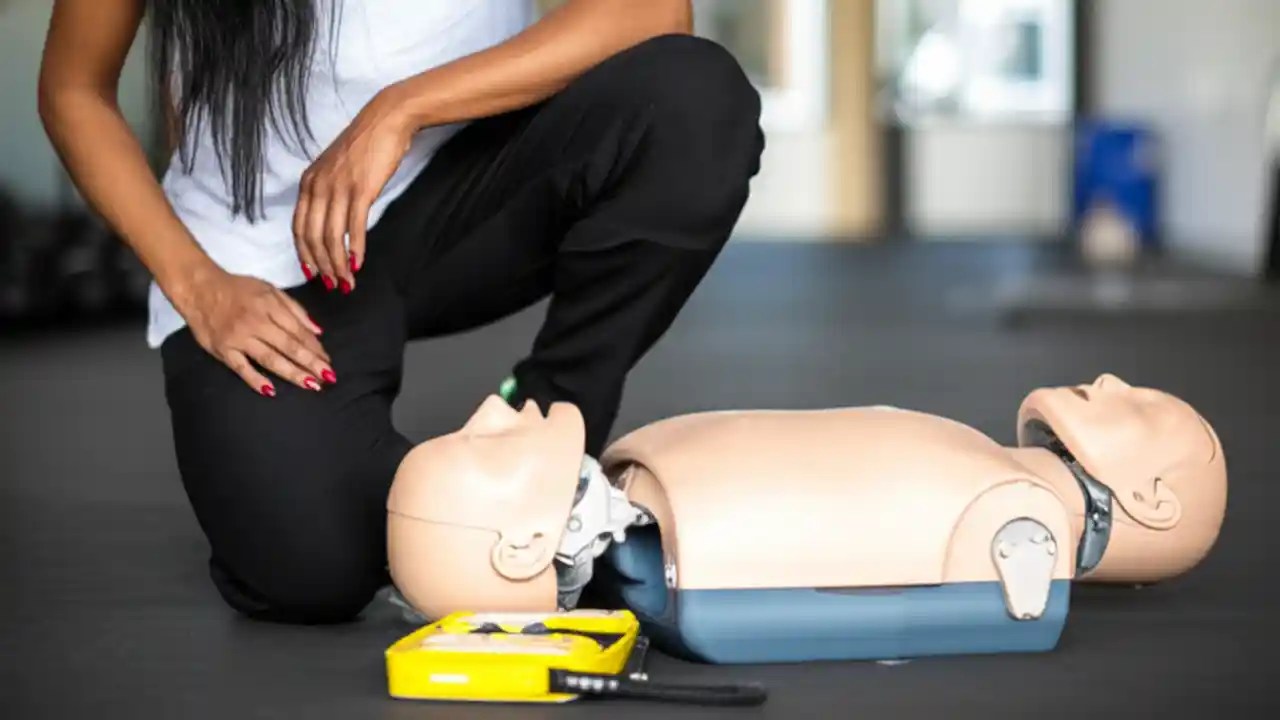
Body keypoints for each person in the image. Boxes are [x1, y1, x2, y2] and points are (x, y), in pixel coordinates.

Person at [38, 0, 764, 624]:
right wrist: (199, 285)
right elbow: (74, 90)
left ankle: (548, 419)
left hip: (460, 193)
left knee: (694, 102)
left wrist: (401, 109)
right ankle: (469, 490)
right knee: (312, 570)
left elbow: (653, 12)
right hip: (257, 267)